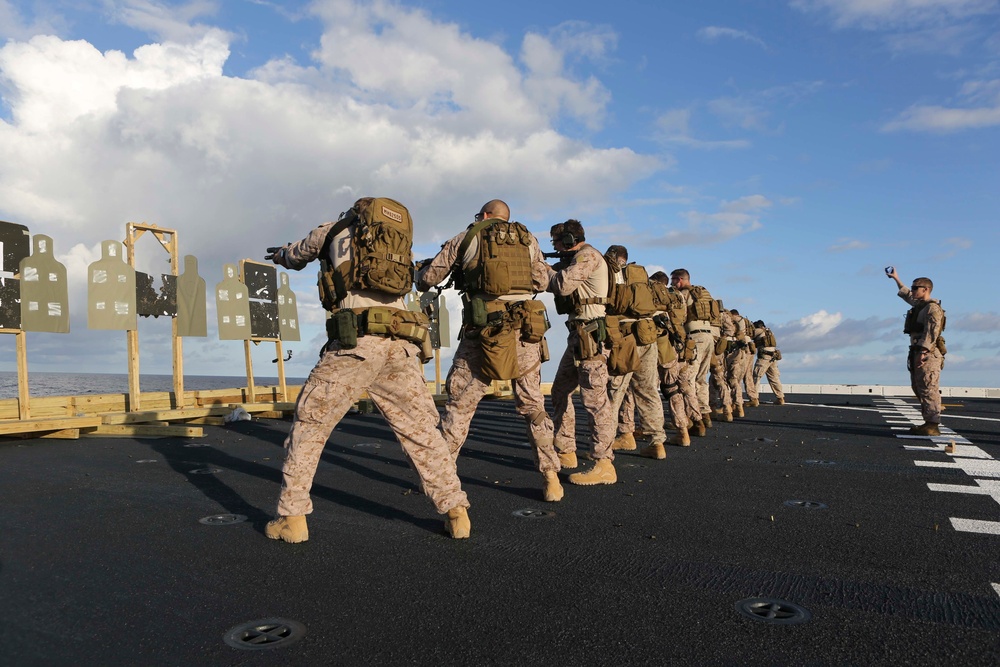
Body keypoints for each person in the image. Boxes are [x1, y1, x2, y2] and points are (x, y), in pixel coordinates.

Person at [264, 196, 471, 543]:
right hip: (401, 342)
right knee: (422, 433)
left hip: (355, 343)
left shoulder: (333, 229)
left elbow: (297, 255)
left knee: (310, 426)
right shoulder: (397, 241)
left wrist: (281, 253)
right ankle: (456, 512)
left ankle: (292, 518)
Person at [416, 199, 563, 502]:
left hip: (484, 332)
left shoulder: (468, 236)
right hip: (525, 330)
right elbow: (542, 280)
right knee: (533, 405)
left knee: (460, 406)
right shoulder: (528, 239)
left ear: (484, 215)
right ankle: (551, 477)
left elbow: (431, 277)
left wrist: (420, 273)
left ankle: (442, 476)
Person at [545, 219, 617, 485]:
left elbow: (563, 285)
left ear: (568, 240)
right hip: (578, 335)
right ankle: (566, 450)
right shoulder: (579, 257)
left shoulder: (587, 257)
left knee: (595, 400)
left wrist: (542, 269)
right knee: (560, 390)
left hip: (591, 336)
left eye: (556, 242)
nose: (555, 247)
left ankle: (604, 463)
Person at [602, 245, 667, 460]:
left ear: (611, 256)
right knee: (648, 390)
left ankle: (604, 446)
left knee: (615, 391)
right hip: (647, 335)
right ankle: (657, 443)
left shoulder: (611, 274)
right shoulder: (641, 276)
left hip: (625, 337)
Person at [887, 268, 946, 435]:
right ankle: (930, 419)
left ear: (925, 289)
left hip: (927, 353)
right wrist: (896, 278)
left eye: (915, 288)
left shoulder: (932, 308)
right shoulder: (921, 306)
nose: (912, 291)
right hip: (917, 351)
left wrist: (923, 352)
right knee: (918, 387)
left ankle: (932, 424)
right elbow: (906, 294)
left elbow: (931, 332)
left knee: (928, 387)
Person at [649, 271, 702, 445]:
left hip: (663, 345)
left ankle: (674, 430)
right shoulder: (678, 296)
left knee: (664, 389)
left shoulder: (653, 293)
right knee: (681, 386)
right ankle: (695, 422)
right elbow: (683, 318)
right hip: (680, 344)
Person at [670, 269, 718, 430]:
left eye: (673, 280)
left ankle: (693, 418)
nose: (672, 284)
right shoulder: (703, 292)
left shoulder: (683, 295)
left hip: (694, 337)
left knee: (688, 378)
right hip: (708, 336)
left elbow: (679, 317)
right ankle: (705, 413)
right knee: (701, 378)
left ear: (680, 279)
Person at [751, 319, 785, 405]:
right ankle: (780, 398)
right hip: (773, 356)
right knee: (774, 378)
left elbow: (749, 335)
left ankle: (754, 398)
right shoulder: (769, 331)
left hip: (764, 357)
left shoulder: (759, 331)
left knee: (756, 376)